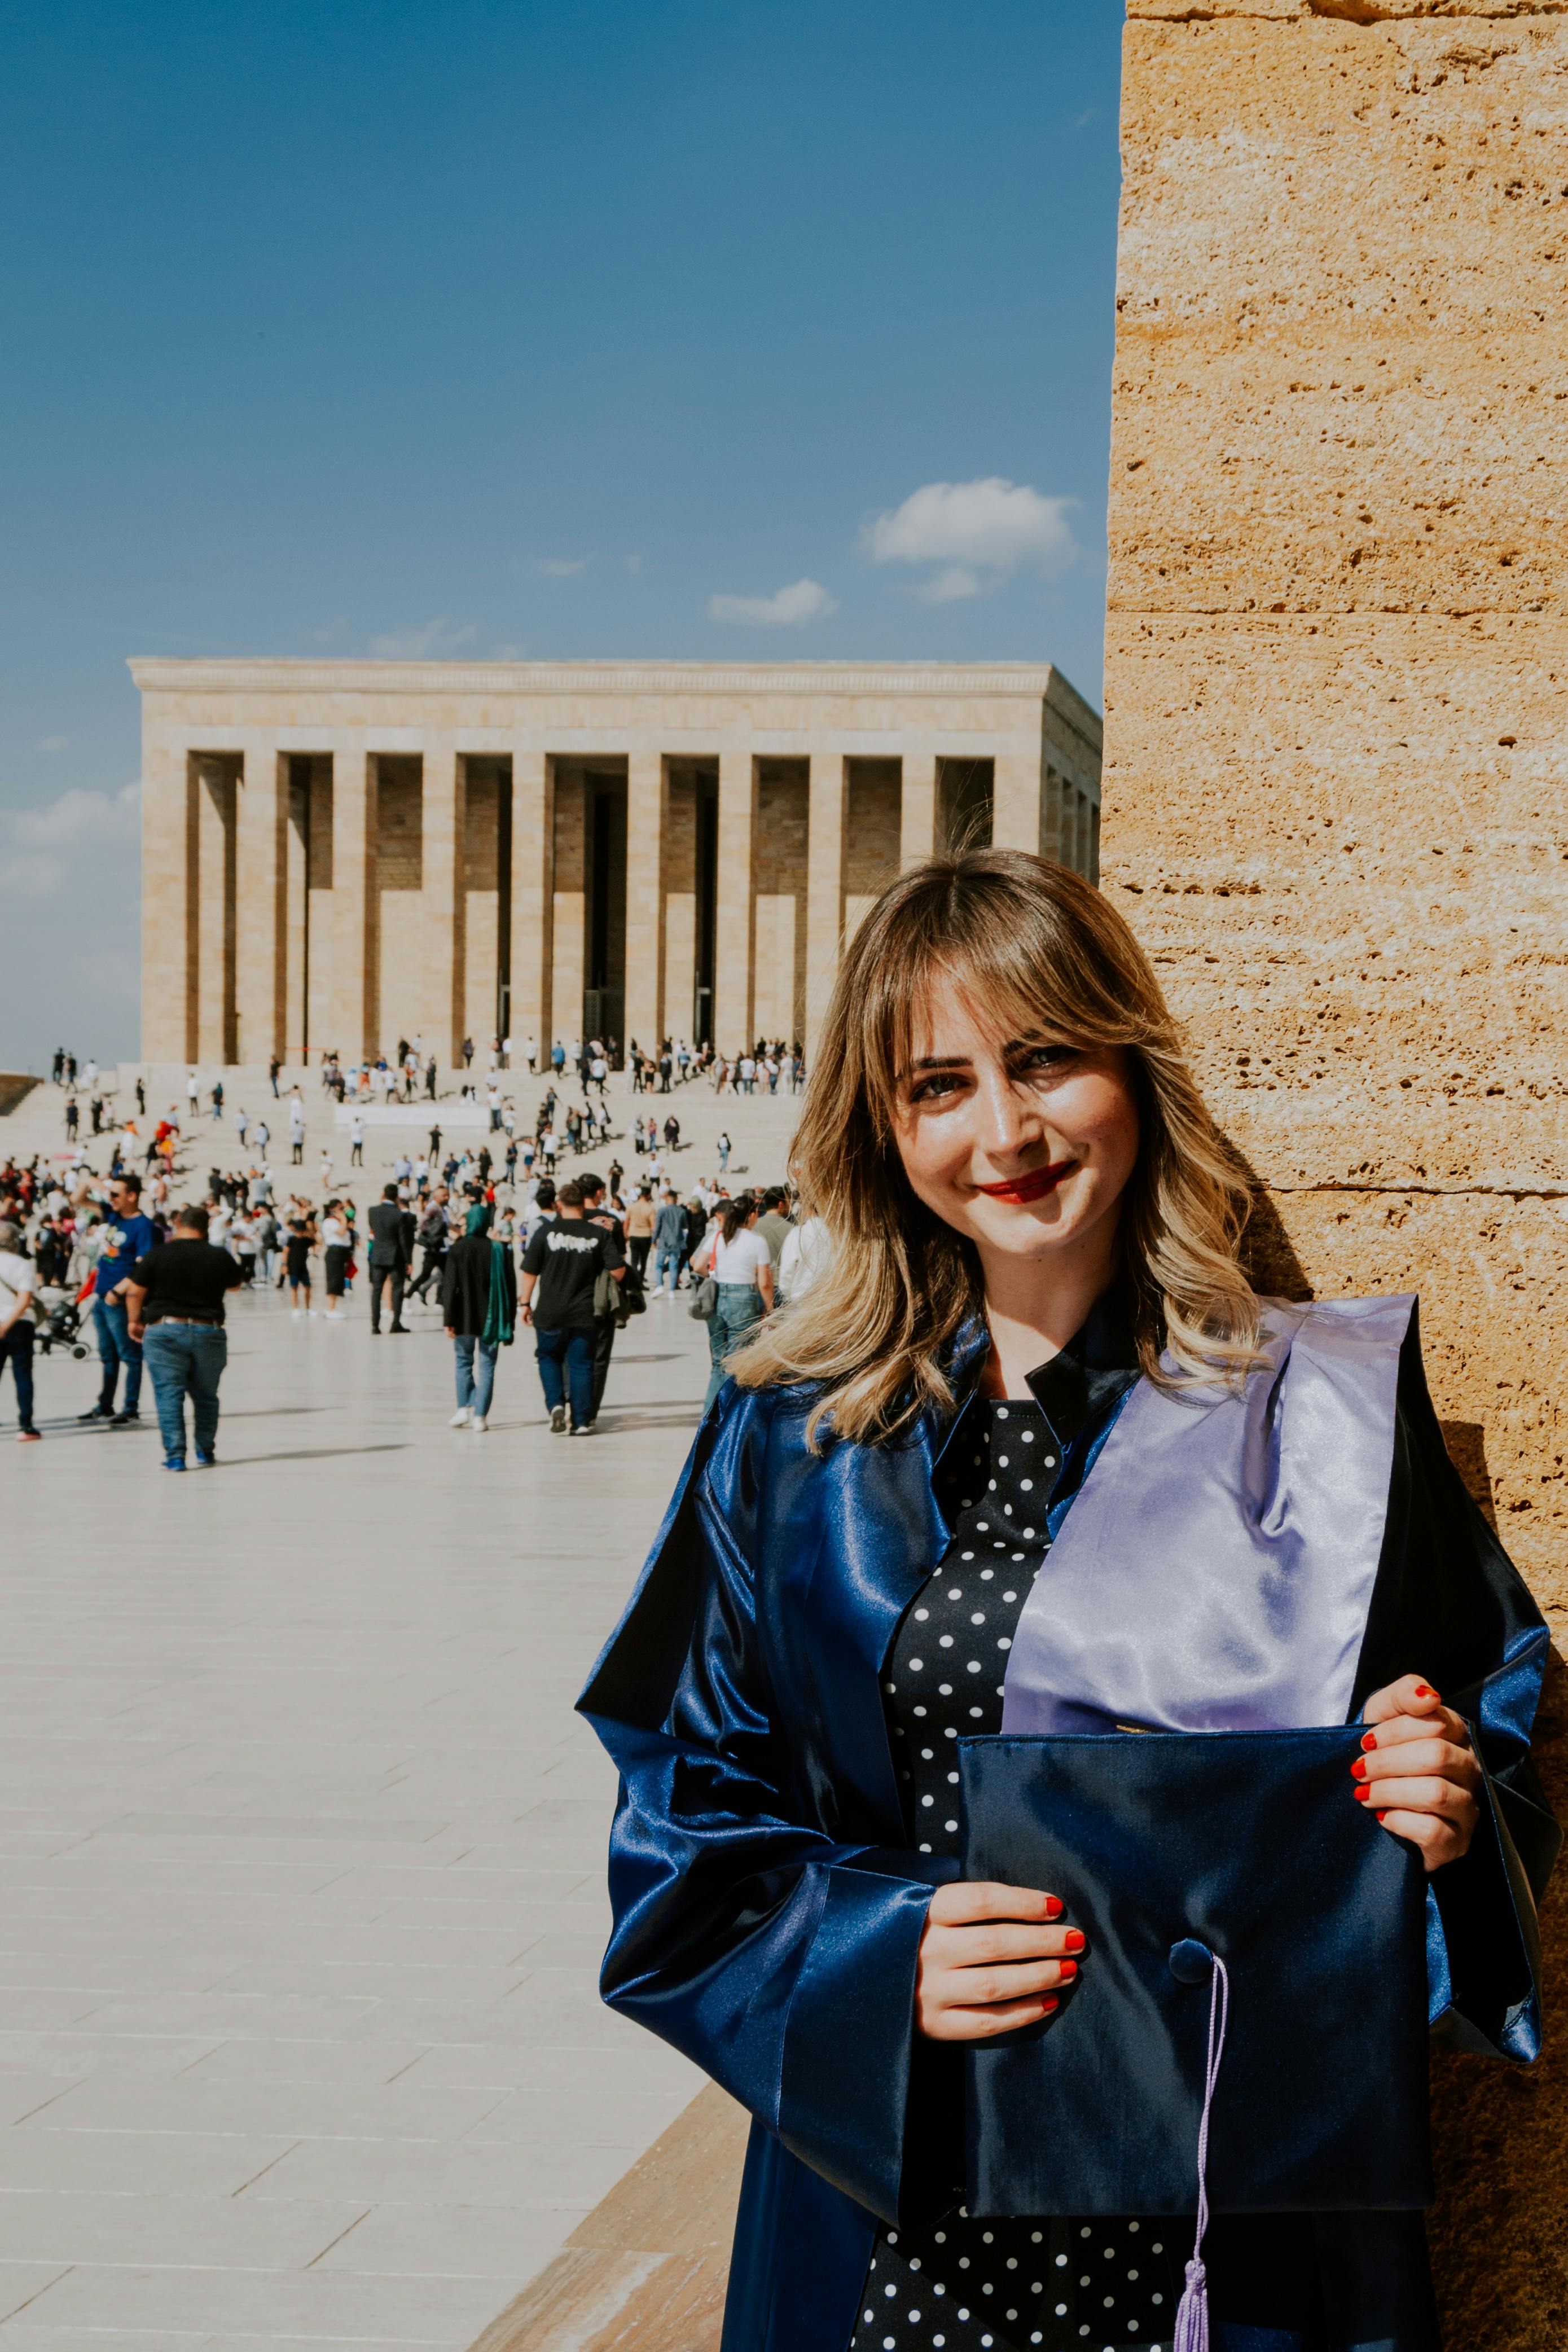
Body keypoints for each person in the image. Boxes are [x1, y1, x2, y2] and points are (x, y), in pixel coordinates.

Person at [577, 848, 1554, 2352]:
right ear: (881, 1126)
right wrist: (868, 1951)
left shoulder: (1320, 1414)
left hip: (1236, 2228)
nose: (1005, 1130)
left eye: (1044, 1060)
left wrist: (1446, 1799)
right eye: (938, 1085)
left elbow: (1492, 1724)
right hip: (902, 2213)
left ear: (1130, 1067)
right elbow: (680, 1829)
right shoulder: (792, 1440)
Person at [117, 1204, 245, 1469]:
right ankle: (205, 1450)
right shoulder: (218, 1254)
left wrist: (133, 1321)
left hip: (164, 1329)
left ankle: (175, 1456)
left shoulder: (158, 1254)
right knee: (207, 1395)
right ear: (206, 1227)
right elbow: (235, 1285)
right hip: (208, 1329)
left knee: (168, 1394)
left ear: (178, 1224)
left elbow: (134, 1292)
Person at [519, 1177, 623, 1434]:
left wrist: (524, 1303)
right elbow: (619, 1271)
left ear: (559, 1204)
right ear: (583, 1206)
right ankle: (581, 1420)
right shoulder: (598, 1233)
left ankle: (556, 1405)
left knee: (548, 1357)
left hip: (549, 1310)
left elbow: (530, 1272)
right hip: (584, 1311)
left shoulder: (546, 1232)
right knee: (581, 1364)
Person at [79, 1174, 157, 1424]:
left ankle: (130, 1407)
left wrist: (117, 1292)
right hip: (102, 1297)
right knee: (107, 1355)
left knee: (130, 1355)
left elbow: (144, 1268)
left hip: (120, 1300)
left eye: (116, 1195)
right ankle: (105, 1405)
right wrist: (94, 1183)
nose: (110, 1199)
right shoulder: (113, 1216)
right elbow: (77, 1198)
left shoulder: (144, 1226)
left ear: (132, 1196)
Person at [689, 1192, 773, 1410]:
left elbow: (698, 1266)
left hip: (717, 1297)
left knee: (718, 1362)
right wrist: (771, 1308)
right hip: (743, 1299)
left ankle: (710, 1411)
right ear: (752, 1215)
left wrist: (714, 1276)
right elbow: (764, 1282)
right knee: (737, 1362)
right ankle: (729, 1413)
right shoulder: (757, 1241)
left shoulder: (717, 1236)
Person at [441, 1203, 517, 1433]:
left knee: (463, 1362)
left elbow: (449, 1288)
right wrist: (510, 1318)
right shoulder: (498, 1250)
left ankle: (463, 1407)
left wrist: (448, 1320)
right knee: (487, 1367)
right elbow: (511, 1287)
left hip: (463, 1317)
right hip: (491, 1318)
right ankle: (480, 1416)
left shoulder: (458, 1249)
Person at [0, 1221, 40, 1442]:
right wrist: (7, 1324)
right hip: (20, 1325)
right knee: (23, 1375)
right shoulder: (23, 1265)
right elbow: (24, 1301)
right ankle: (26, 1426)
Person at [367, 1182, 411, 1333]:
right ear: (397, 1197)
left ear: (383, 1194)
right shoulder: (400, 1214)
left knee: (376, 1291)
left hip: (378, 1255)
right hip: (395, 1256)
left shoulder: (372, 1211)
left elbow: (373, 1227)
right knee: (397, 1289)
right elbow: (403, 1240)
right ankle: (396, 1323)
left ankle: (375, 1325)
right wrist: (409, 1260)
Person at [650, 1187, 685, 1296]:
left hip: (664, 1242)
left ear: (667, 1199)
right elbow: (684, 1227)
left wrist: (654, 1240)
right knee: (674, 1267)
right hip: (676, 1242)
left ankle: (660, 1285)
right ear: (676, 1199)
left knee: (659, 1265)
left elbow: (658, 1227)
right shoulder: (681, 1211)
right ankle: (672, 1290)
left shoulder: (662, 1211)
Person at [320, 1199, 352, 1319]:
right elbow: (341, 1232)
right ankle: (330, 1309)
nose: (343, 1211)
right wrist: (343, 1219)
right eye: (340, 1209)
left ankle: (333, 1308)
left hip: (341, 1252)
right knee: (333, 1279)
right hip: (334, 1252)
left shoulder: (337, 1221)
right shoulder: (329, 1222)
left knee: (338, 1279)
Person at [284, 1212, 316, 1316]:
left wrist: (310, 1232)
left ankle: (307, 1308)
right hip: (293, 1266)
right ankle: (295, 1308)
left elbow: (317, 1242)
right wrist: (284, 1265)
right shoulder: (291, 1240)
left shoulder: (306, 1240)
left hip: (303, 1266)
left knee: (308, 1287)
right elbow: (286, 1252)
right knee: (294, 1288)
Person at [623, 1185, 656, 1281]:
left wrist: (625, 1234)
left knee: (634, 1259)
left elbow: (626, 1222)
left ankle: (635, 1280)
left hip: (634, 1234)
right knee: (644, 1260)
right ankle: (640, 1278)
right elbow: (653, 1225)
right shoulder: (650, 1208)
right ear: (649, 1196)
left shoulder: (631, 1207)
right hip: (646, 1236)